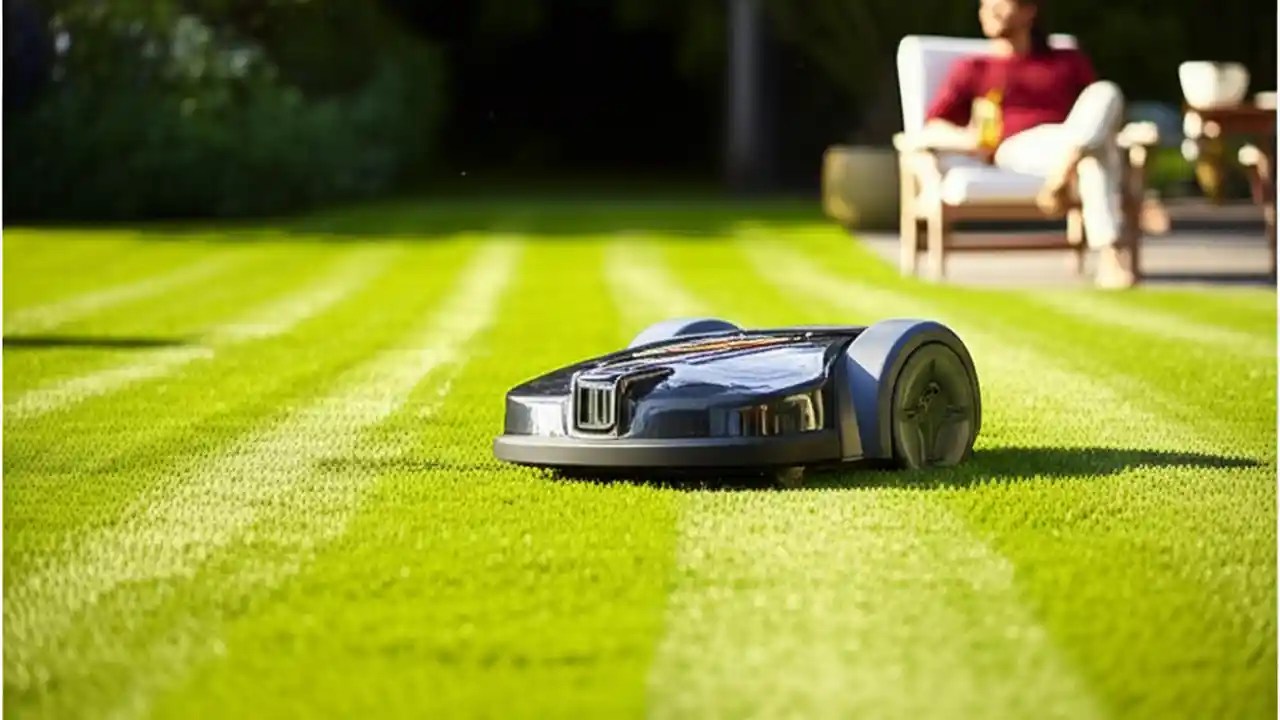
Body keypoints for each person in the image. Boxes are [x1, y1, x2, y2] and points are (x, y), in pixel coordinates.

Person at [904, 0, 1133, 287]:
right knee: (1093, 154)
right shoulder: (975, 68)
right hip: (1017, 148)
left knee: (1105, 92)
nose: (989, 11)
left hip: (1067, 138)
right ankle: (1111, 256)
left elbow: (1099, 116)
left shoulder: (1067, 60)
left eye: (1000, 4)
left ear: (1029, 11)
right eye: (984, 5)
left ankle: (1063, 172)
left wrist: (1073, 147)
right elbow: (932, 125)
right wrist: (969, 139)